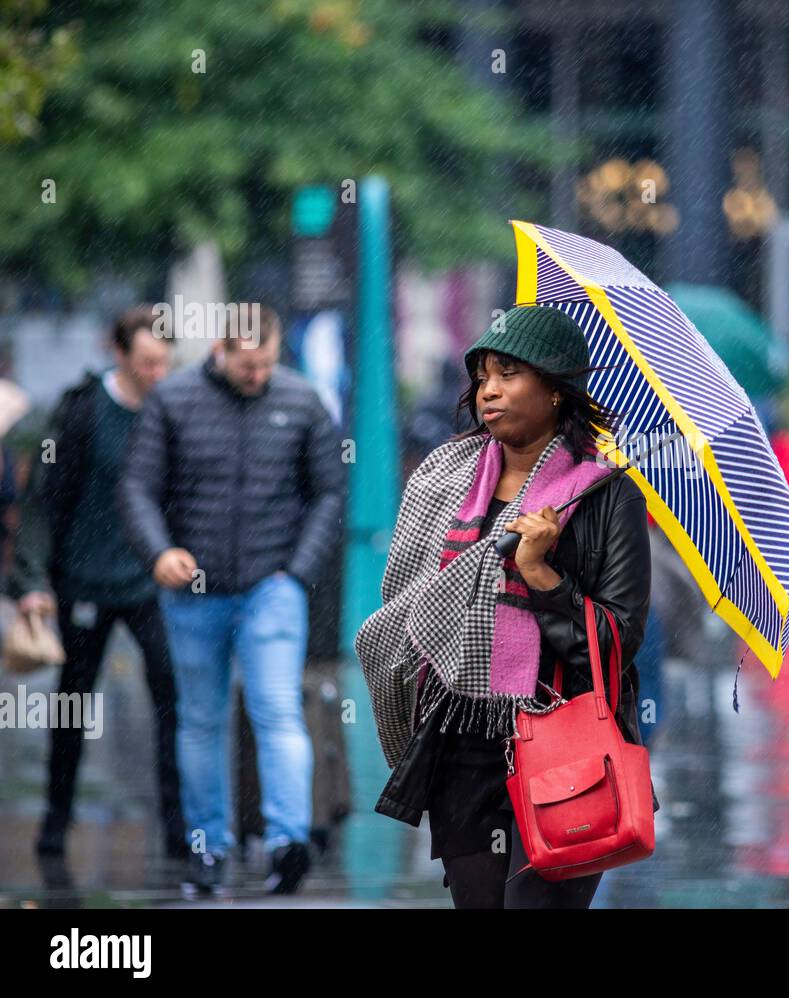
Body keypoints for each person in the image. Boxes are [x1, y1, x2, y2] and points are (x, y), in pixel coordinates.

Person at [356, 304, 658, 909]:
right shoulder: (443, 480)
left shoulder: (605, 493)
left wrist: (540, 573)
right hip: (462, 740)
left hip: (566, 741)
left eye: (509, 374)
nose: (488, 390)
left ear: (555, 391)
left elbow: (617, 638)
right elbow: (407, 607)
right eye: (483, 375)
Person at [119, 305, 344, 897]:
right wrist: (159, 552)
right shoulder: (173, 401)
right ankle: (208, 850)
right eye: (249, 365)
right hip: (192, 589)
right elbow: (138, 487)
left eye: (268, 364)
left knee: (276, 711)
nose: (259, 376)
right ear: (221, 347)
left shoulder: (302, 401)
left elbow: (328, 492)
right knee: (200, 721)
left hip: (271, 586)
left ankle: (287, 841)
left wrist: (296, 573)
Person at [9, 307, 181, 860]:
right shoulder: (83, 411)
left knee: (170, 699)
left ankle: (179, 828)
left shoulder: (170, 410)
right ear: (120, 353)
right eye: (147, 362)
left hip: (147, 581)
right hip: (84, 579)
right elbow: (43, 501)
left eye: (164, 362)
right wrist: (32, 579)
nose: (157, 372)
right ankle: (55, 824)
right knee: (73, 703)